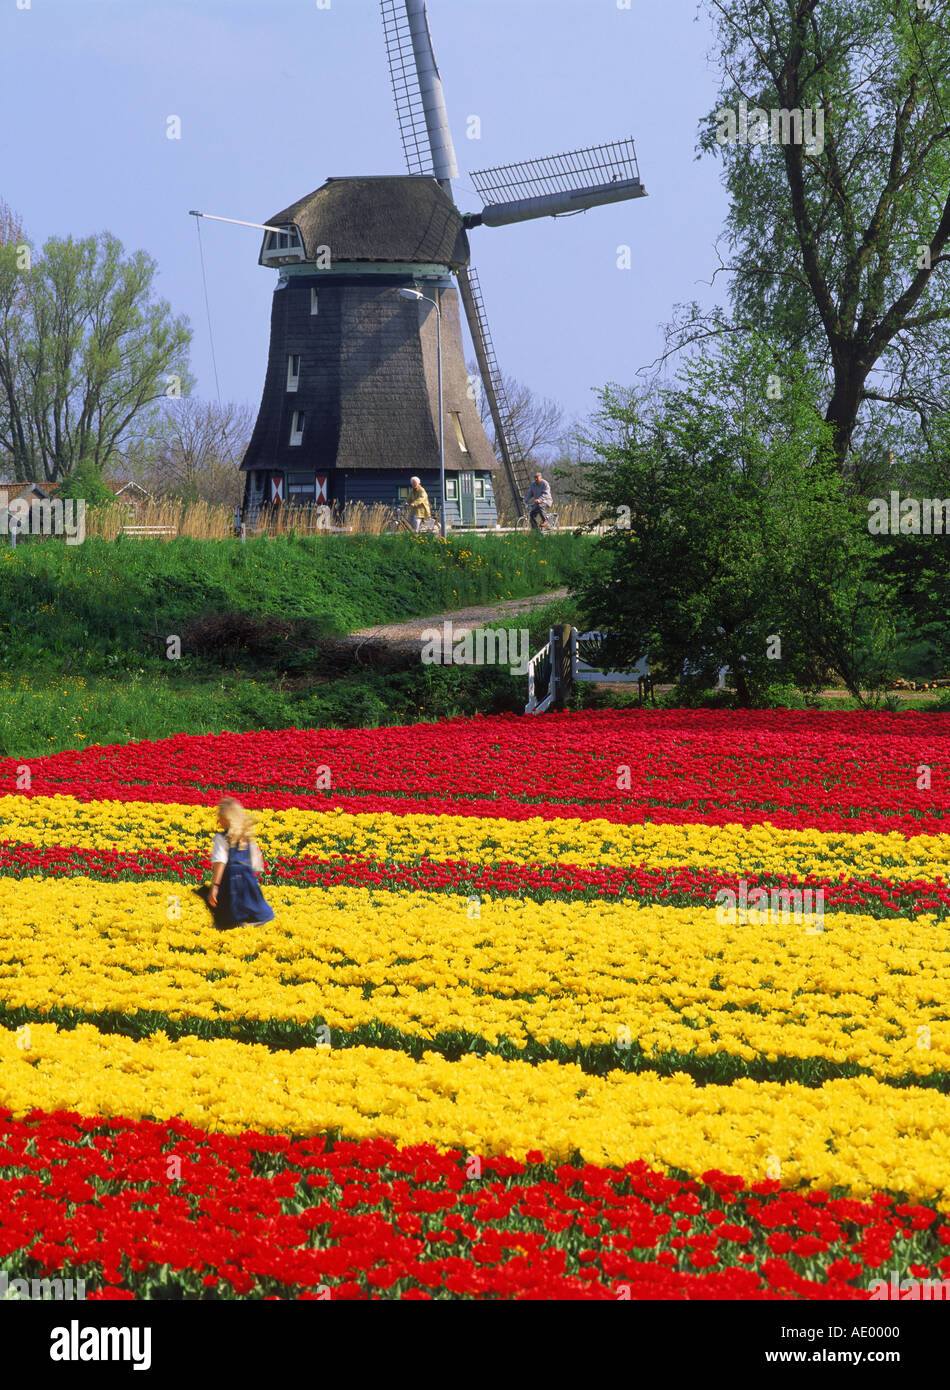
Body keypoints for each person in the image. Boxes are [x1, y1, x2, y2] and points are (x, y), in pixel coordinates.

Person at [197, 797, 275, 928]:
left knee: (227, 914)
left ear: (226, 818)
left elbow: (220, 861)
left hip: (229, 881)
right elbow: (256, 864)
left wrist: (215, 886)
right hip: (247, 879)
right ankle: (252, 929)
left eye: (219, 816)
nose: (218, 820)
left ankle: (233, 931)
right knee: (251, 908)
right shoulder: (247, 838)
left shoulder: (221, 838)